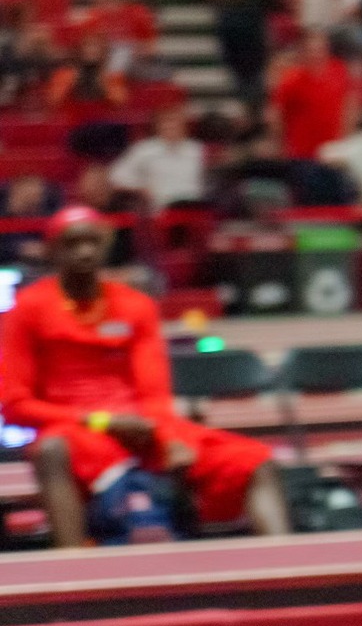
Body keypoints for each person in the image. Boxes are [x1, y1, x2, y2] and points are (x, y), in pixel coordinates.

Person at [0, 206, 289, 548]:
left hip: (143, 429)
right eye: (72, 243)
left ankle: (290, 571)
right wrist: (103, 422)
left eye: (93, 242)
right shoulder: (26, 310)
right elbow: (15, 405)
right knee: (50, 450)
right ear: (53, 250)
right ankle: (75, 576)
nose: (85, 252)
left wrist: (165, 438)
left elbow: (154, 394)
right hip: (76, 431)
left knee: (255, 461)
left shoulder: (136, 306)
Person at [270, 31, 354, 162]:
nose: (317, 54)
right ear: (303, 52)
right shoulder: (291, 80)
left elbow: (350, 102)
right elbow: (276, 116)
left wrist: (346, 137)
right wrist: (281, 147)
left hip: (334, 151)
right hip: (303, 154)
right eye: (312, 50)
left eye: (321, 49)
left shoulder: (339, 69)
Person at [108, 105, 205, 208]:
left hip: (196, 207)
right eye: (167, 122)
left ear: (184, 125)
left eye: (176, 122)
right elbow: (116, 178)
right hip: (159, 210)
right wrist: (140, 189)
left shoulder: (198, 150)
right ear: (157, 126)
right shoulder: (143, 150)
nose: (172, 126)